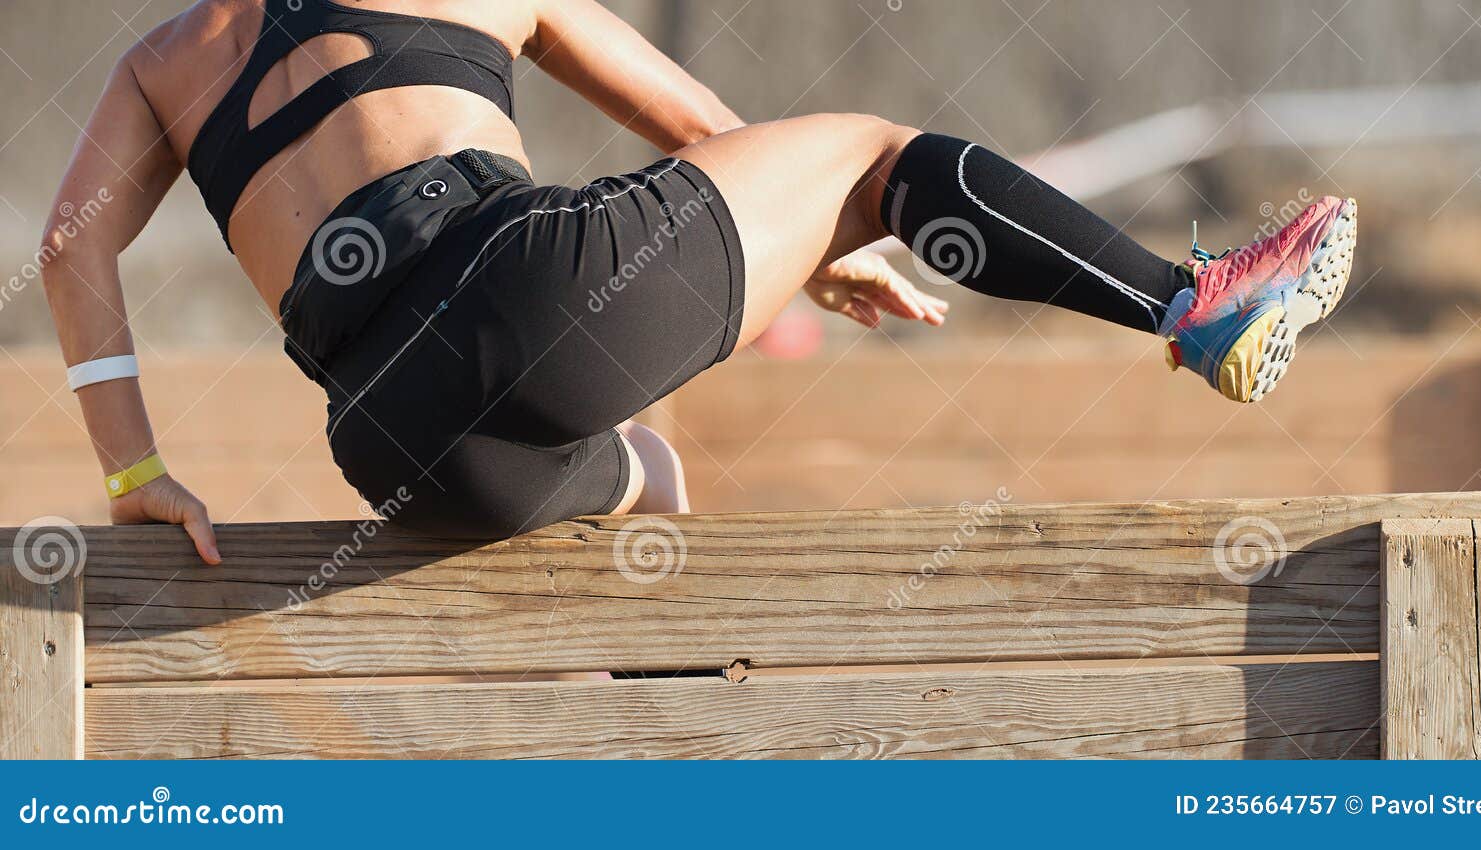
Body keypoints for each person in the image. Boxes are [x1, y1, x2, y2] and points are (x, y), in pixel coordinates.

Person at [41, 0, 1357, 562]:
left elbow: (69, 248)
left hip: (387, 432)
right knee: (880, 156)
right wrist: (831, 234)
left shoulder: (165, 58)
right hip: (520, 287)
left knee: (648, 480)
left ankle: (652, 729)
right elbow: (704, 138)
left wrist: (134, 474)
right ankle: (1190, 306)